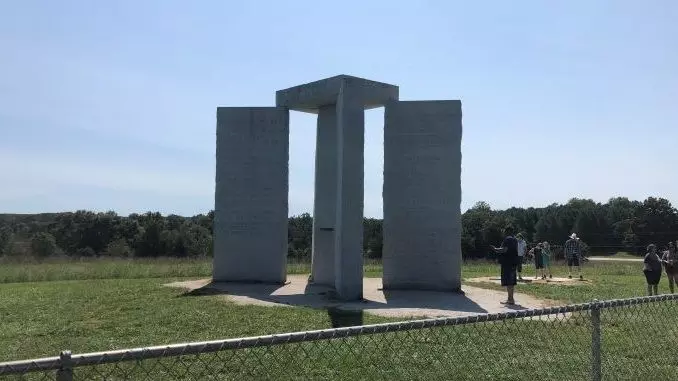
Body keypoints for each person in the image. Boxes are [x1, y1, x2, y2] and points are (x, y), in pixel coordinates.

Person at [490, 227, 519, 305]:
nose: (503, 233)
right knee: (512, 282)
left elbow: (504, 250)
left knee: (508, 281)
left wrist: (495, 249)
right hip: (513, 262)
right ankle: (511, 299)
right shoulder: (515, 240)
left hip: (507, 263)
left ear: (507, 232)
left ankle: (510, 299)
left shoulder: (507, 239)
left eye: (504, 231)